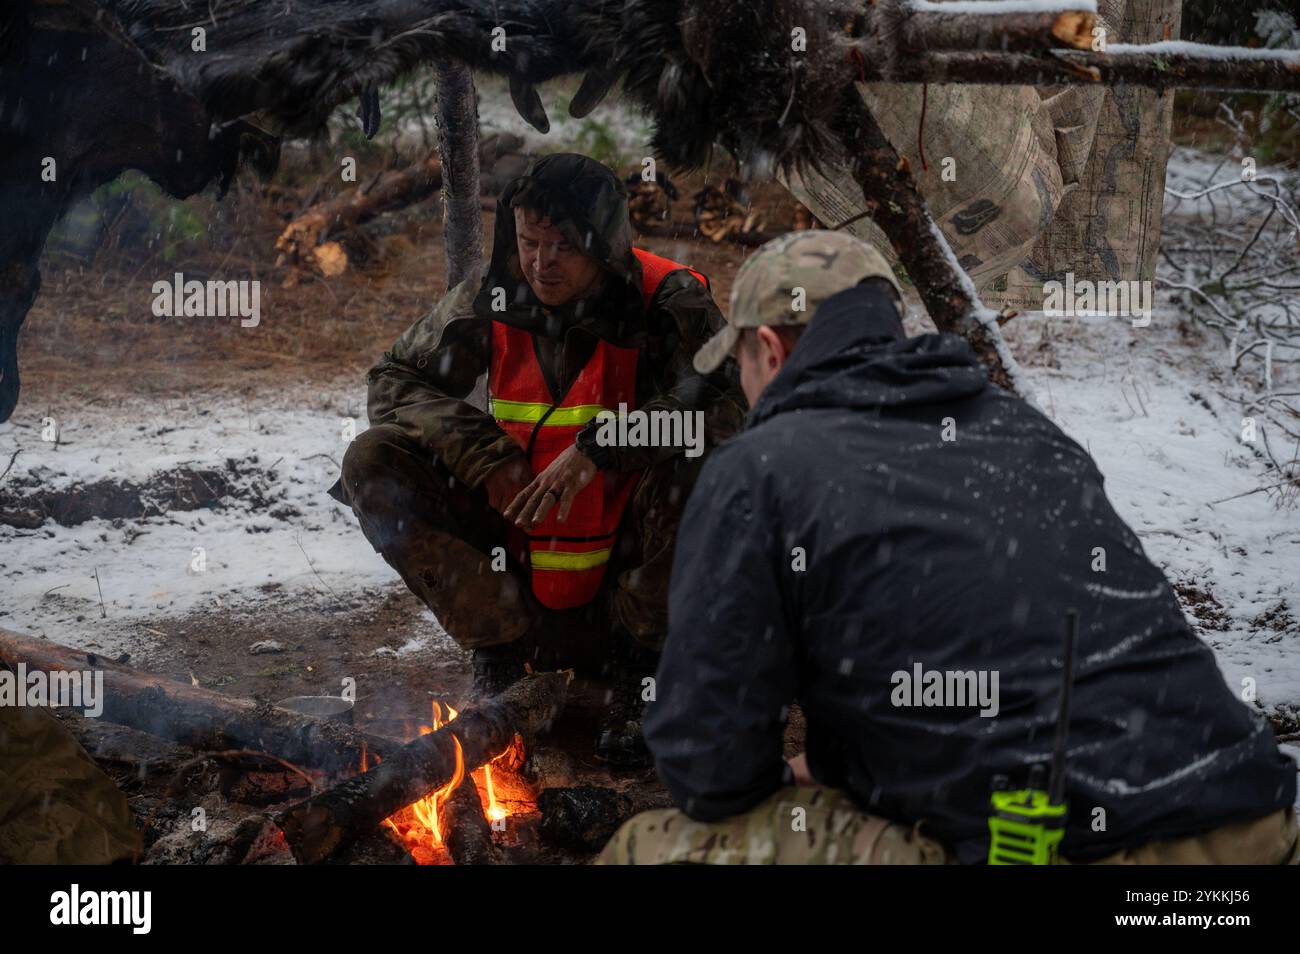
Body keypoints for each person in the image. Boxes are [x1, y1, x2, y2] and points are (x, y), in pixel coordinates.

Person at [599, 230, 1299, 863]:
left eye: (744, 368)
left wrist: (803, 777)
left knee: (651, 847)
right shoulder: (1027, 435)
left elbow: (706, 764)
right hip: (1254, 833)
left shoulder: (763, 469)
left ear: (771, 353)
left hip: (1052, 849)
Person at [332, 153, 744, 765]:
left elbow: (726, 408)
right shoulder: (493, 297)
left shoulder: (667, 300)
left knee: (710, 464)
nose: (541, 263)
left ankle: (645, 672)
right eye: (529, 242)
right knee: (373, 458)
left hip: (630, 584)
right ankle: (499, 652)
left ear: (604, 245)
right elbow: (393, 382)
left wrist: (603, 449)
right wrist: (485, 456)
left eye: (563, 248)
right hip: (521, 570)